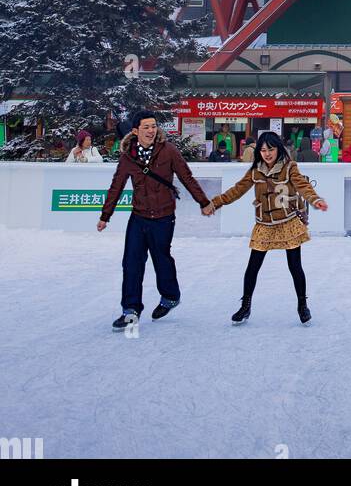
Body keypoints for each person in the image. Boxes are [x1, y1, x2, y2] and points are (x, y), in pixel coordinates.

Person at [98, 110, 212, 329]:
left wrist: (203, 202)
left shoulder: (168, 151)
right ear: (135, 131)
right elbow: (116, 187)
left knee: (162, 259)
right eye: (146, 127)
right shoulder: (128, 157)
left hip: (163, 217)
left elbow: (186, 177)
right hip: (139, 217)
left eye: (153, 126)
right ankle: (130, 309)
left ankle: (170, 296)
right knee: (131, 263)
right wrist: (106, 216)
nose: (151, 131)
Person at [204, 132, 328, 325]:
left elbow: (303, 186)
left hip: (287, 221)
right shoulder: (255, 171)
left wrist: (315, 199)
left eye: (270, 149)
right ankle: (245, 306)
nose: (267, 154)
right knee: (253, 266)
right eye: (263, 150)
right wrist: (216, 203)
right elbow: (237, 190)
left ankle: (302, 305)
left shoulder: (289, 167)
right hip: (264, 223)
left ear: (278, 148)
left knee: (295, 266)